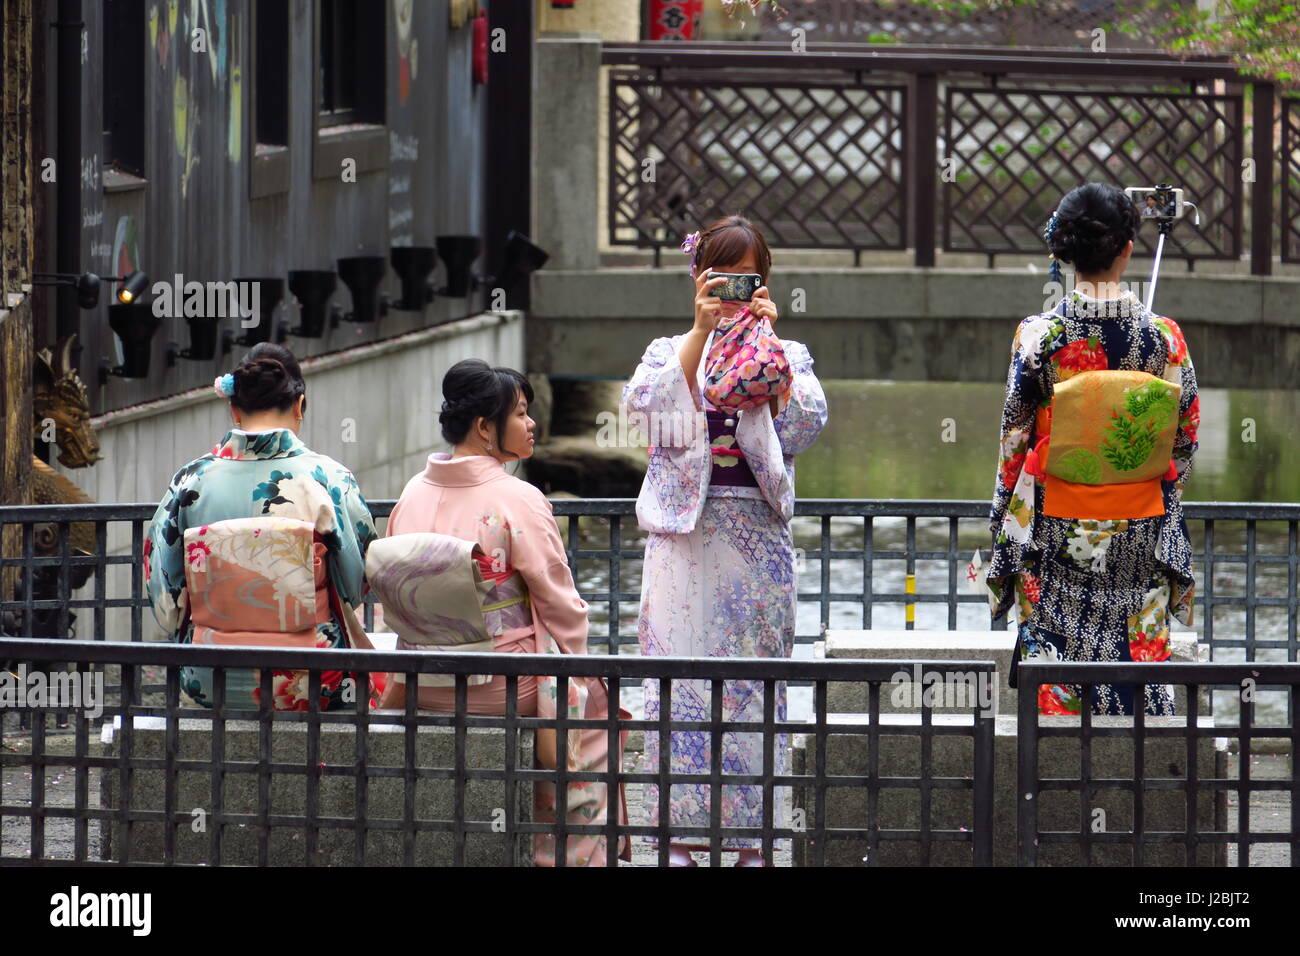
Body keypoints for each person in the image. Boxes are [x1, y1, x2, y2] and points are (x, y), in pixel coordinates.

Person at [623, 214, 828, 865]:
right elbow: (648, 415)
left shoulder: (786, 354)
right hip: (683, 543)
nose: (736, 290)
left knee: (755, 688)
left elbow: (803, 427)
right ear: (698, 277)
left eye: (749, 277)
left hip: (755, 543)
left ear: (764, 282)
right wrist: (699, 332)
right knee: (675, 687)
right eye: (724, 276)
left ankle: (755, 843)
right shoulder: (668, 349)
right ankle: (677, 838)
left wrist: (767, 346)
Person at [377, 359, 629, 867]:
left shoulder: (412, 492)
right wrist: (580, 665)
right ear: (484, 427)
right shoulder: (518, 498)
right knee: (597, 706)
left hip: (420, 678)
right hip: (499, 683)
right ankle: (569, 854)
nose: (532, 423)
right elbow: (560, 603)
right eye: (520, 413)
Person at [985, 182, 1200, 716]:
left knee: (1056, 657)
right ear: (1127, 248)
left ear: (1063, 250)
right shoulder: (1165, 338)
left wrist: (1002, 521)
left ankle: (1054, 758)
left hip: (1056, 523)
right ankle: (1142, 749)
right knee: (1135, 646)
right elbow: (1184, 441)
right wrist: (1140, 479)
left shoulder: (1039, 336)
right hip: (1139, 524)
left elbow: (1015, 441)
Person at [144, 343, 379, 710]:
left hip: (210, 673)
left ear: (233, 409)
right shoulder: (329, 479)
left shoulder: (189, 481)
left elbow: (164, 593)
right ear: (299, 405)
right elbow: (357, 580)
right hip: (314, 673)